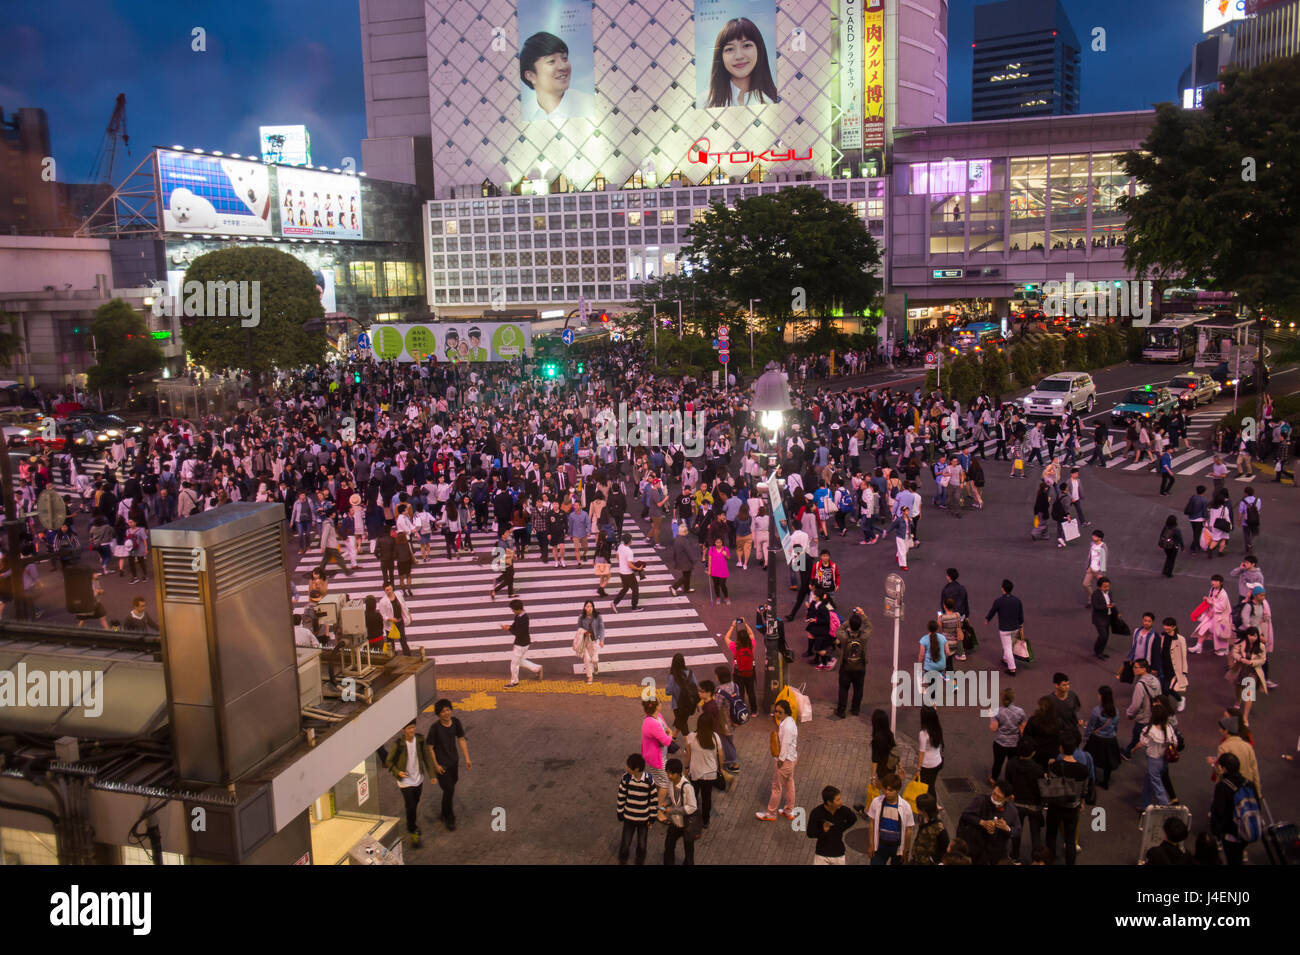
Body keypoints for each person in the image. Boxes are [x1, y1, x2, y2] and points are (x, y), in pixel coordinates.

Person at [705, 17, 779, 108]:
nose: (739, 56)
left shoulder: (774, 99)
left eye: (747, 45)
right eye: (730, 49)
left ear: (759, 49)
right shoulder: (706, 102)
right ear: (720, 56)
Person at [1043, 730, 1090, 865]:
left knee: (1051, 834)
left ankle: (1050, 859)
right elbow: (1084, 789)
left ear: (1061, 748)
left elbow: (1050, 785)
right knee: (1070, 838)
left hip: (1056, 805)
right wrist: (1081, 802)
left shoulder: (1055, 766)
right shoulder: (1082, 769)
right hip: (1072, 807)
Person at [385, 720, 435, 847]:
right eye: (408, 728)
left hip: (418, 779)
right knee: (411, 805)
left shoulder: (420, 740)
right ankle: (412, 829)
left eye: (413, 727)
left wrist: (432, 775)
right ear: (404, 730)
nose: (411, 730)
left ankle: (411, 823)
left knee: (415, 802)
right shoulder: (399, 744)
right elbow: (388, 762)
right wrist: (398, 772)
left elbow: (426, 757)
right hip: (405, 781)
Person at [428, 699, 471, 831]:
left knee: (450, 788)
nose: (446, 713)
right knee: (449, 790)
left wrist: (467, 758)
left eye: (448, 710)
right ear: (438, 714)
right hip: (442, 766)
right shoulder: (435, 728)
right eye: (443, 711)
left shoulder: (456, 722)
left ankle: (443, 813)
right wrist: (435, 765)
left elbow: (461, 739)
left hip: (453, 762)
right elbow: (429, 748)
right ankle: (450, 817)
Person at [957, 780, 1020, 865]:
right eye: (994, 793)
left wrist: (1006, 828)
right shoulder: (981, 800)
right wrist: (982, 822)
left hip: (998, 850)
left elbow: (1017, 832)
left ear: (1007, 798)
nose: (994, 798)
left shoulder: (1012, 811)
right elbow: (966, 815)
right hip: (979, 846)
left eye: (999, 797)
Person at [1210, 751, 1256, 866]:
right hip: (1247, 828)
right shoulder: (1249, 783)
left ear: (1223, 768)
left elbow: (1218, 811)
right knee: (1238, 857)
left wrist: (1217, 832)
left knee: (1232, 860)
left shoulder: (1223, 786)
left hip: (1231, 833)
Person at [755, 699, 798, 822]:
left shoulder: (787, 726)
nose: (777, 714)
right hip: (791, 759)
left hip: (785, 761)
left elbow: (785, 744)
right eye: (776, 711)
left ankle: (771, 813)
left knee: (776, 787)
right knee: (789, 784)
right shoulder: (789, 722)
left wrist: (780, 760)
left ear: (786, 712)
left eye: (780, 712)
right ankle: (788, 811)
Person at [1006, 739, 1045, 861]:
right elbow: (1041, 789)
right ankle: (1036, 859)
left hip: (1017, 803)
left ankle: (1015, 856)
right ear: (1033, 753)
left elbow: (1008, 783)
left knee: (1017, 831)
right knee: (1035, 834)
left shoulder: (1011, 764)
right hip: (1034, 805)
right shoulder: (1038, 769)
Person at [683, 712, 723, 829]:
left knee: (693, 796)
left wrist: (686, 768)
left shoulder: (691, 737)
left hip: (695, 773)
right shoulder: (715, 737)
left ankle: (693, 818)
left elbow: (688, 756)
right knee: (707, 798)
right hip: (710, 774)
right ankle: (705, 821)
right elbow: (720, 755)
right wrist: (720, 768)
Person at [865, 773, 914, 864]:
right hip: (880, 845)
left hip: (897, 847)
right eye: (885, 789)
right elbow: (872, 823)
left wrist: (906, 851)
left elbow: (908, 830)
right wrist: (871, 844)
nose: (887, 792)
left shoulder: (905, 807)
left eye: (890, 790)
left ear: (897, 790)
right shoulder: (876, 802)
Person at [616, 753, 656, 865]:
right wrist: (620, 812)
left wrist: (652, 817)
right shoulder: (626, 779)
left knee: (642, 843)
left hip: (643, 818)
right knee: (626, 841)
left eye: (629, 766)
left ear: (636, 769)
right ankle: (623, 859)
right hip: (629, 817)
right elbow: (621, 796)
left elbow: (653, 800)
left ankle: (640, 860)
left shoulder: (649, 781)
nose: (626, 768)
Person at [832, 608, 870, 718]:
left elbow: (838, 630)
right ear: (859, 625)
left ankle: (841, 711)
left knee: (843, 689)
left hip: (846, 667)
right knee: (858, 689)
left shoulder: (844, 637)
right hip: (860, 667)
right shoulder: (863, 637)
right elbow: (869, 627)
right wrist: (863, 615)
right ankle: (855, 709)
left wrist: (849, 621)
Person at [1082, 685, 1122, 789]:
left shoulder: (1097, 711)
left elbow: (1091, 726)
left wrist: (1086, 738)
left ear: (1101, 696)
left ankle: (1093, 779)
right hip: (1111, 740)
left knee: (1093, 759)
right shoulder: (1116, 711)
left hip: (1098, 739)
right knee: (1108, 762)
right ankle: (1105, 781)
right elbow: (1116, 726)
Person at [659, 758, 697, 865]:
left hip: (687, 825)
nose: (669, 776)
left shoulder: (687, 787)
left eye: (671, 774)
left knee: (689, 853)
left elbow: (692, 807)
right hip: (675, 823)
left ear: (678, 773)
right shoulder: (671, 783)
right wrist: (666, 803)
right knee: (668, 847)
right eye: (668, 773)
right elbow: (671, 797)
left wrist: (672, 810)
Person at [1122, 658, 1162, 759]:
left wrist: (1129, 714)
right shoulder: (1155, 680)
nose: (1133, 669)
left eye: (1136, 667)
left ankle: (1127, 753)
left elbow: (1136, 705)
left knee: (1137, 736)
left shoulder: (1140, 685)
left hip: (1143, 717)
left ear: (1144, 669)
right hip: (1153, 715)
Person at [641, 695, 675, 812]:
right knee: (665, 782)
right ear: (656, 707)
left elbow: (665, 728)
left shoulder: (655, 717)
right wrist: (670, 735)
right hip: (657, 758)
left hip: (657, 755)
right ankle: (659, 810)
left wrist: (667, 732)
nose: (662, 704)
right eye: (660, 703)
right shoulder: (652, 723)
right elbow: (666, 740)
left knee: (657, 779)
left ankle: (653, 798)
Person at [808, 785, 857, 864]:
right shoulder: (817, 813)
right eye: (837, 800)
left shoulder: (843, 810)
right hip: (822, 854)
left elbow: (853, 819)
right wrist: (822, 830)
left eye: (840, 798)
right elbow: (810, 833)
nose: (841, 802)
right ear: (829, 802)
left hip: (838, 854)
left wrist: (841, 828)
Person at [1138, 700, 1173, 810]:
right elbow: (1174, 741)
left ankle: (1167, 809)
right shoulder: (1168, 728)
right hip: (1164, 760)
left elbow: (1144, 742)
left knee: (1158, 788)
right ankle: (1145, 805)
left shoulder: (1151, 730)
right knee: (1148, 783)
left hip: (1153, 760)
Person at [986, 578, 1025, 676]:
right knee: (1010, 645)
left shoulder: (999, 601)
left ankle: (1012, 668)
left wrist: (987, 619)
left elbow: (993, 611)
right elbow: (1020, 615)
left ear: (1002, 588)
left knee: (1007, 647)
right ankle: (1005, 659)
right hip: (1015, 628)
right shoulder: (1017, 601)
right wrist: (1021, 625)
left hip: (1004, 629)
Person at [500, 597, 541, 687]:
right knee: (519, 661)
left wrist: (509, 629)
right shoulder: (519, 616)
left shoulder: (524, 619)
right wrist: (508, 627)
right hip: (523, 642)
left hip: (521, 643)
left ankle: (514, 682)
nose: (512, 611)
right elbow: (514, 626)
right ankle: (537, 668)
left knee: (514, 663)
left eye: (513, 610)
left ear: (518, 609)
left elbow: (518, 633)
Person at [989, 687, 1026, 784]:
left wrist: (991, 716)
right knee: (1012, 763)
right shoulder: (1020, 711)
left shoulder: (996, 711)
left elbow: (993, 728)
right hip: (1014, 743)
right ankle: (1009, 782)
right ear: (1012, 698)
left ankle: (993, 779)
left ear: (1002, 698)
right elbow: (1023, 729)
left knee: (998, 762)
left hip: (1000, 743)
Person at [1190, 574, 1232, 655]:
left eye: (1216, 581)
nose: (1213, 582)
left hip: (1221, 618)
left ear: (1221, 583)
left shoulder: (1223, 594)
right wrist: (1208, 600)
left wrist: (1211, 602)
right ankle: (1198, 646)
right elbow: (1212, 600)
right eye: (1212, 580)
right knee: (1203, 628)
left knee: (1220, 633)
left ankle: (1223, 649)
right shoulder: (1212, 589)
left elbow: (1222, 607)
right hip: (1213, 615)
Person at [724, 617, 758, 714]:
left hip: (738, 673)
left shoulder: (735, 646)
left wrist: (733, 626)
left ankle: (741, 710)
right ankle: (754, 711)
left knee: (740, 692)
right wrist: (745, 623)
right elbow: (752, 634)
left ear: (738, 639)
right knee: (751, 691)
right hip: (750, 671)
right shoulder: (751, 645)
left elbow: (726, 637)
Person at [907, 791, 950, 865]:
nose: (916, 808)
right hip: (916, 859)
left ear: (924, 810)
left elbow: (944, 848)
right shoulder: (922, 818)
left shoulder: (939, 828)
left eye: (918, 807)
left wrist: (932, 859)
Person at [666, 653, 699, 738]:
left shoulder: (672, 676)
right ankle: (674, 736)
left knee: (683, 725)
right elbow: (695, 686)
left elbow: (668, 691)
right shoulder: (690, 673)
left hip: (678, 705)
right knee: (681, 720)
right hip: (689, 704)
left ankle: (689, 745)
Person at [575, 600, 605, 684]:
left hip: (594, 641)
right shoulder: (581, 617)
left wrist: (602, 640)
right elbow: (579, 628)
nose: (589, 608)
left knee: (594, 659)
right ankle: (589, 677)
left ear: (593, 607)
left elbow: (602, 628)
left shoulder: (598, 616)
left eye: (591, 606)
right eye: (587, 606)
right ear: (584, 608)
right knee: (587, 659)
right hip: (585, 641)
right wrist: (584, 632)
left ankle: (595, 666)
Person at [916, 705, 945, 791]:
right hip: (937, 762)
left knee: (924, 788)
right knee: (931, 785)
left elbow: (922, 752)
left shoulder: (923, 733)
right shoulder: (937, 728)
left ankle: (932, 803)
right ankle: (935, 804)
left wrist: (918, 769)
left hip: (927, 765)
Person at [610, 532, 641, 612]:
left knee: (625, 588)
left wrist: (622, 562)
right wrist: (638, 569)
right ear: (630, 541)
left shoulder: (620, 546)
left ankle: (614, 603)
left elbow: (617, 556)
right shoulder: (629, 551)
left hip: (621, 572)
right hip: (628, 574)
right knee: (635, 589)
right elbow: (630, 565)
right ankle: (634, 607)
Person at [1089, 576, 1116, 660]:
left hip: (1107, 617)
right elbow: (1096, 606)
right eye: (1105, 586)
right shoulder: (1095, 594)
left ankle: (1100, 651)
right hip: (1099, 619)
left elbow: (1110, 602)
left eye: (1108, 586)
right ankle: (1097, 651)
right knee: (1103, 636)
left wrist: (1113, 607)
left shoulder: (1109, 593)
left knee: (1106, 636)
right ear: (1099, 586)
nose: (1107, 588)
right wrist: (1106, 606)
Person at [1081, 530, 1108, 604]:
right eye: (1093, 535)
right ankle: (1093, 597)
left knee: (1101, 587)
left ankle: (1104, 600)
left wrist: (1101, 573)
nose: (1093, 537)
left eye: (1095, 536)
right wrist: (1088, 567)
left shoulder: (1103, 547)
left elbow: (1103, 560)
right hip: (1091, 569)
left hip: (1098, 571)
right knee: (1085, 584)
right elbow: (1090, 557)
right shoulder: (1092, 544)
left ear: (1100, 538)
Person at [706, 536, 731, 606]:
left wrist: (726, 555)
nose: (718, 544)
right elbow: (709, 560)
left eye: (720, 542)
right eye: (717, 542)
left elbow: (728, 558)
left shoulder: (725, 549)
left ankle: (726, 597)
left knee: (723, 585)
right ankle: (718, 597)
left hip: (723, 570)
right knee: (716, 585)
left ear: (722, 543)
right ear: (715, 543)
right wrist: (709, 570)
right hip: (714, 570)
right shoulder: (712, 549)